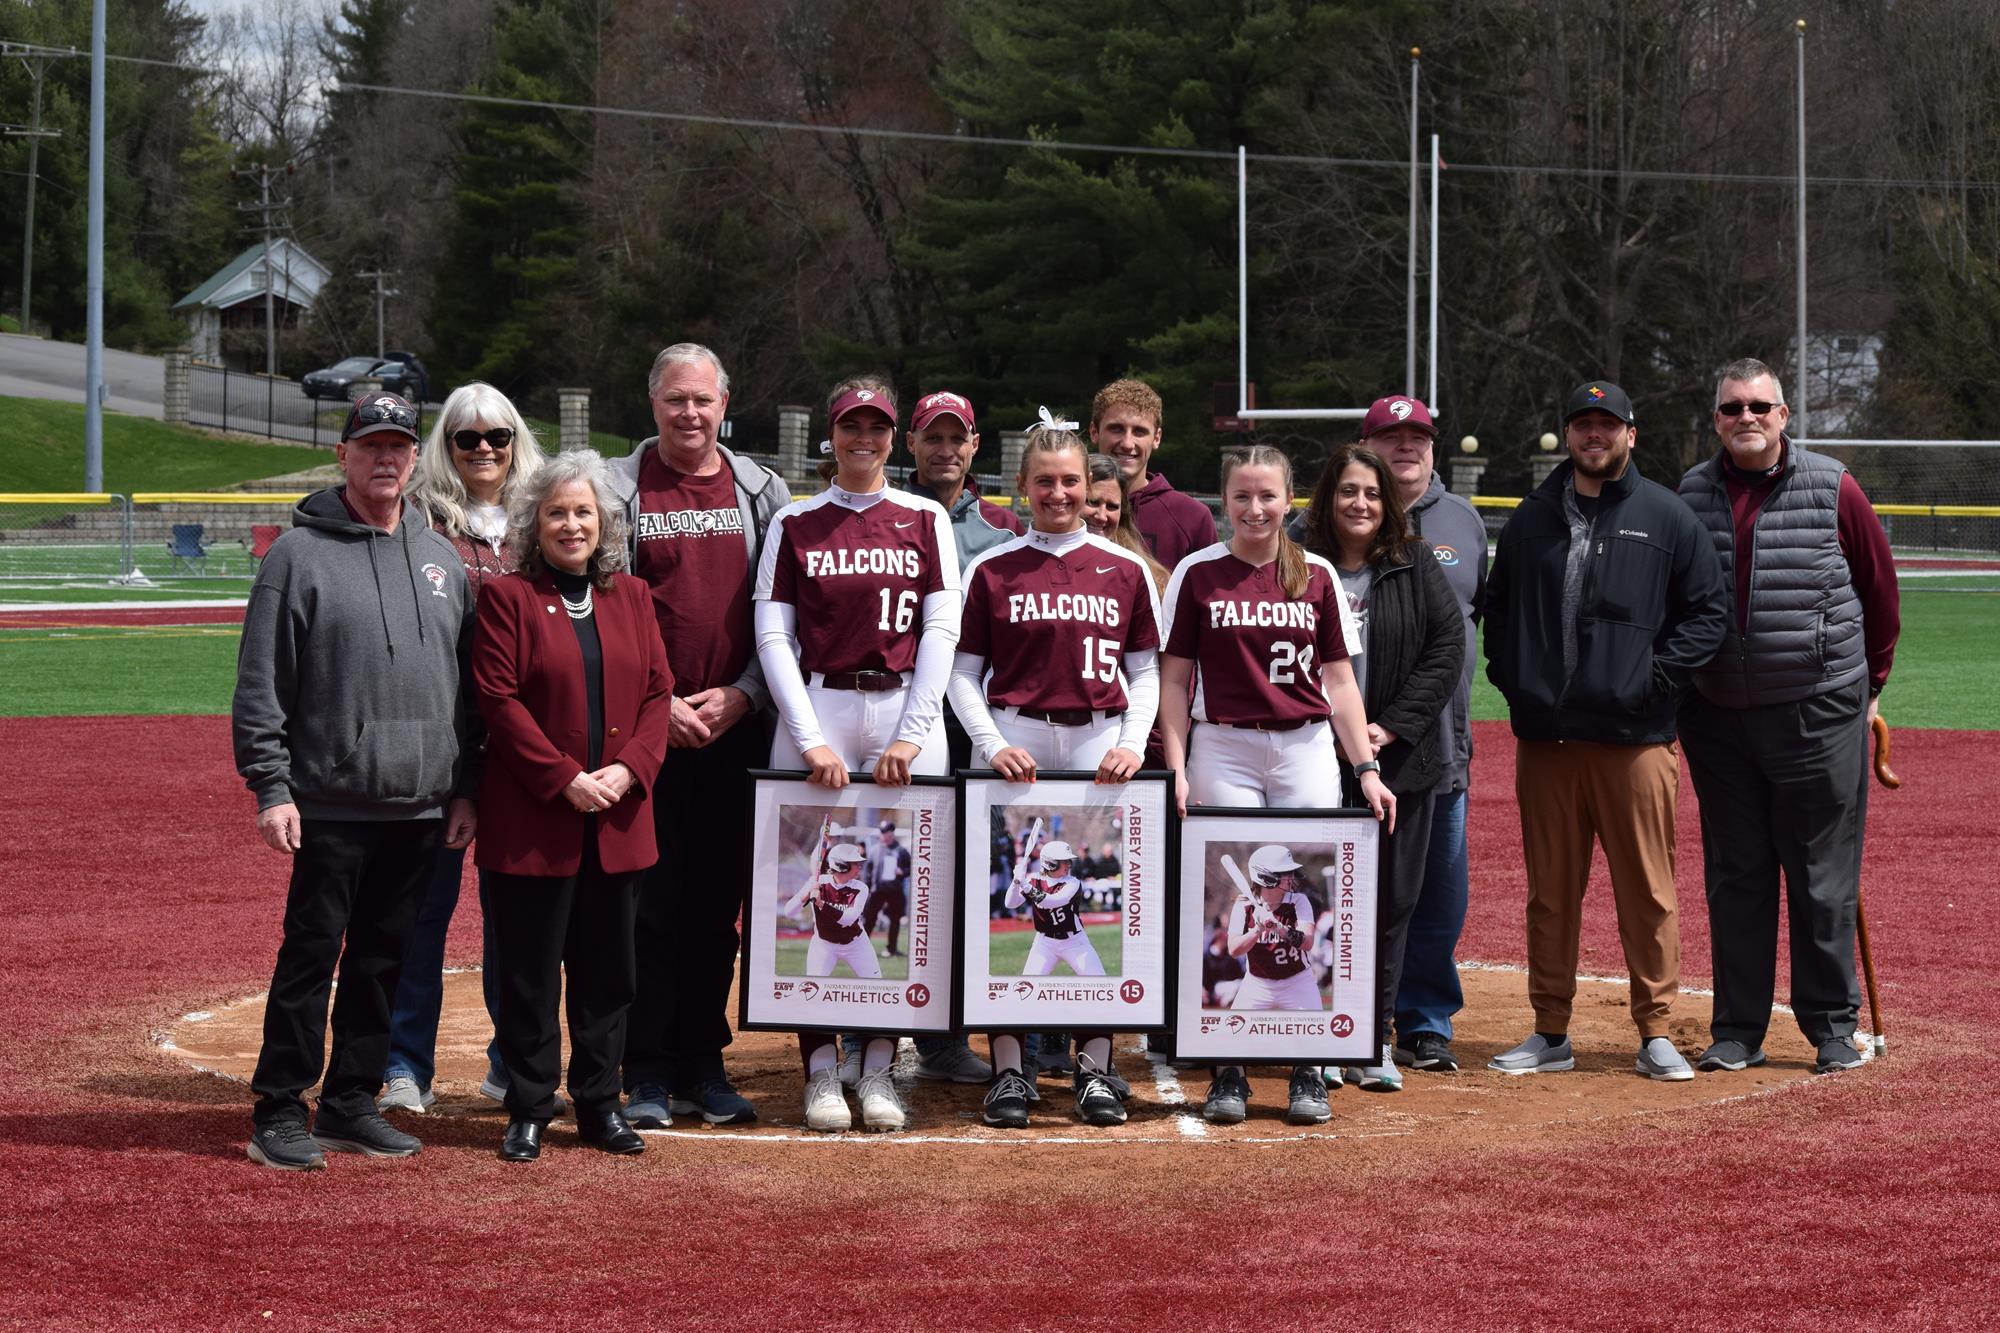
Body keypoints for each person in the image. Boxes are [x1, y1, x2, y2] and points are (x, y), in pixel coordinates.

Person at [233, 391, 479, 1171]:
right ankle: (279, 1108)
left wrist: (464, 786)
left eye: (398, 446)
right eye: (370, 445)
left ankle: (349, 1101)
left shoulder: (442, 559)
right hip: (330, 799)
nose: (385, 458)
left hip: (421, 803)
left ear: (414, 458)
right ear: (343, 455)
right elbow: (261, 681)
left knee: (383, 959)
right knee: (311, 956)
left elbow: (467, 687)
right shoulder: (296, 556)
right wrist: (272, 786)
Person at [1483, 379, 1728, 1081]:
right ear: (1568, 433)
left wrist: (1651, 682)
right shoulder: (1532, 517)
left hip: (1635, 741)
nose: (1595, 435)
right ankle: (1550, 1031)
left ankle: (1656, 1031)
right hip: (1548, 740)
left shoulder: (1667, 515)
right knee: (1550, 893)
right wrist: (1516, 679)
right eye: (1582, 424)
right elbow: (1498, 612)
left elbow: (1708, 614)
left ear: (1630, 434)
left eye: (1607, 424)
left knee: (1647, 890)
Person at [1676, 357, 1901, 1076]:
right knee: (1736, 875)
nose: (1745, 418)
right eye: (1731, 408)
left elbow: (1879, 591)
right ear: (1716, 419)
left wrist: (1870, 687)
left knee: (1821, 876)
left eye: (1758, 406)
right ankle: (1738, 1029)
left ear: (1783, 415)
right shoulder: (1690, 492)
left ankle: (1832, 1028)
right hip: (1719, 717)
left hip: (1816, 709)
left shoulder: (1834, 486)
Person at [1161, 444, 1393, 1125]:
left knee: (1305, 894)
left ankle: (1308, 1067)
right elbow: (1175, 679)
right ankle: (1228, 1067)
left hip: (1304, 745)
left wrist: (1366, 769)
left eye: (1268, 495)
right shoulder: (1198, 572)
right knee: (1229, 894)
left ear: (1290, 499)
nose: (1255, 508)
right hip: (1224, 743)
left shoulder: (1315, 573)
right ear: (1224, 499)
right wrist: (1176, 764)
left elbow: (1340, 682)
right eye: (1242, 495)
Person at [755, 375, 960, 1133]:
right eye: (851, 425)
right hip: (821, 702)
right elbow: (773, 633)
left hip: (905, 704)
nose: (863, 438)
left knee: (907, 883)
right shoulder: (796, 520)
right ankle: (818, 1069)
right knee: (804, 880)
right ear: (832, 433)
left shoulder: (925, 517)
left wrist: (914, 730)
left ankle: (877, 1066)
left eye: (876, 426)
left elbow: (941, 629)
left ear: (892, 435)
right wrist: (809, 736)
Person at [947, 419, 1163, 1130]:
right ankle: (1010, 1069)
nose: (1060, 493)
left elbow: (1145, 671)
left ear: (1090, 485)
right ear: (1023, 486)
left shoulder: (1123, 568)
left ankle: (1095, 1070)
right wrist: (989, 742)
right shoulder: (994, 568)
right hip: (1016, 735)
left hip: (1099, 736)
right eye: (1045, 481)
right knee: (993, 916)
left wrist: (1132, 741)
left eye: (1071, 480)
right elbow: (962, 673)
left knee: (1113, 919)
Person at [473, 449, 674, 1162]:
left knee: (608, 974)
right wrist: (564, 777)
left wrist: (628, 770)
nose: (571, 525)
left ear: (604, 522)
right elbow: (497, 698)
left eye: (583, 511)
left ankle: (599, 1103)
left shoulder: (634, 596)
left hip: (618, 818)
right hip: (534, 821)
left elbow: (659, 693)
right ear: (534, 523)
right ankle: (529, 1106)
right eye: (556, 512)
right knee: (528, 974)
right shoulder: (507, 597)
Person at [609, 342, 790, 1131]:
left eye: (702, 399)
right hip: (648, 734)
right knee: (646, 908)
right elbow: (606, 612)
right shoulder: (618, 487)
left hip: (734, 730)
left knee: (718, 908)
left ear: (725, 404)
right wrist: (658, 705)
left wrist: (745, 694)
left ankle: (703, 1063)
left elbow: (781, 612)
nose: (690, 412)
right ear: (653, 402)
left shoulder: (762, 490)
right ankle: (646, 1066)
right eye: (675, 398)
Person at [380, 382, 547, 1117]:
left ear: (517, 441)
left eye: (497, 436)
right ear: (445, 446)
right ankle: (404, 1064)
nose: (484, 449)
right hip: (443, 743)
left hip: (527, 748)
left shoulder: (543, 517)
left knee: (523, 919)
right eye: (466, 437)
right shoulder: (417, 520)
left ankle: (515, 1063)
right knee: (420, 914)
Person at [1301, 444, 1464, 1093]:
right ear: (1328, 497)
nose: (1360, 503)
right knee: (1319, 902)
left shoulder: (1413, 561)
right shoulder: (1296, 561)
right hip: (1314, 757)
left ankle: (1373, 1036)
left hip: (1400, 762)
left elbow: (1447, 649)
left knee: (1389, 903)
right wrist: (1331, 728)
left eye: (1371, 493)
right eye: (1348, 490)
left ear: (1388, 502)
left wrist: (1388, 725)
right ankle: (1319, 1035)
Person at [1343, 397, 1489, 1077]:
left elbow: (1473, 625)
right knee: (1346, 884)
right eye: (1390, 436)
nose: (1406, 446)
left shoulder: (1462, 520)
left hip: (1439, 744)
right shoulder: (1320, 526)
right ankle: (1334, 1016)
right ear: (1366, 443)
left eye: (1417, 436)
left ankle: (1423, 1022)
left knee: (1435, 894)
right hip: (1341, 748)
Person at [891, 389, 1012, 1085]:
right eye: (931, 438)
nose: (944, 450)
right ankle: (864, 1023)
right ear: (911, 443)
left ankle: (943, 1036)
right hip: (898, 717)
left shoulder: (1001, 528)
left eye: (956, 438)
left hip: (974, 725)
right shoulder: (888, 512)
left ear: (974, 447)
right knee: (897, 869)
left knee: (960, 881)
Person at [1089, 378, 1216, 569]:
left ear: (1157, 438)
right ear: (1094, 432)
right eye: (1116, 429)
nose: (1127, 443)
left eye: (1139, 432)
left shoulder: (1192, 517)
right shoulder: (1069, 505)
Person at [1006, 840, 1105, 975]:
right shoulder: (1034, 880)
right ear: (1050, 863)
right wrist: (1016, 881)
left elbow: (1052, 901)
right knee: (1028, 983)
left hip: (1074, 942)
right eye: (1064, 861)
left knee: (1098, 980)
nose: (1069, 864)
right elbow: (1011, 903)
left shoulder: (1073, 883)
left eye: (1069, 861)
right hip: (1044, 943)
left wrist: (1025, 884)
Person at [785, 841, 881, 977]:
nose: (859, 866)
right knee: (814, 985)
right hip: (823, 945)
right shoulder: (817, 882)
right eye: (855, 863)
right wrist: (807, 894)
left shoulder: (860, 888)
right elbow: (789, 912)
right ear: (842, 866)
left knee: (874, 981)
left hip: (856, 944)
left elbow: (847, 920)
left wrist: (821, 904)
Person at [861, 819, 912, 959]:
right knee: (869, 919)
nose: (883, 835)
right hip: (877, 891)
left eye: (886, 832)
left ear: (892, 833)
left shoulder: (901, 851)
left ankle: (892, 949)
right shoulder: (874, 850)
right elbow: (867, 870)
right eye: (882, 832)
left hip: (895, 891)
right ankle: (862, 948)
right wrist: (866, 887)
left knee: (895, 920)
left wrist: (903, 872)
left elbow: (911, 868)